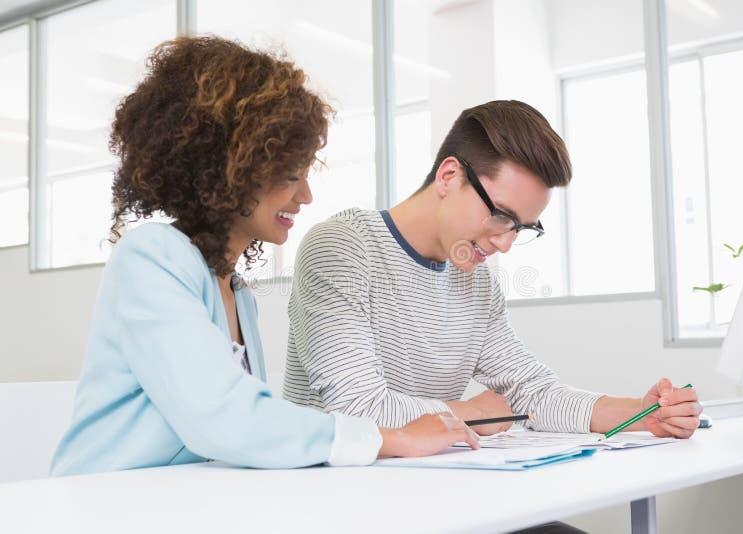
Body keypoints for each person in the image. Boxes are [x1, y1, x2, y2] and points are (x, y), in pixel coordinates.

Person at [50, 36, 479, 477]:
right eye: (291, 174)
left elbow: (250, 431)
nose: (306, 195)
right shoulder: (151, 258)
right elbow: (223, 419)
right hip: (102, 507)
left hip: (183, 504)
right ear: (225, 169)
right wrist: (395, 438)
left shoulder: (237, 293)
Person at [284, 100, 702, 440]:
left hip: (431, 492)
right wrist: (471, 412)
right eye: (501, 216)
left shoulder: (475, 281)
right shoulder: (342, 248)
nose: (506, 243)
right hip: (341, 499)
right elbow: (358, 409)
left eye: (522, 227)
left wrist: (642, 414)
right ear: (449, 176)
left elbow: (533, 392)